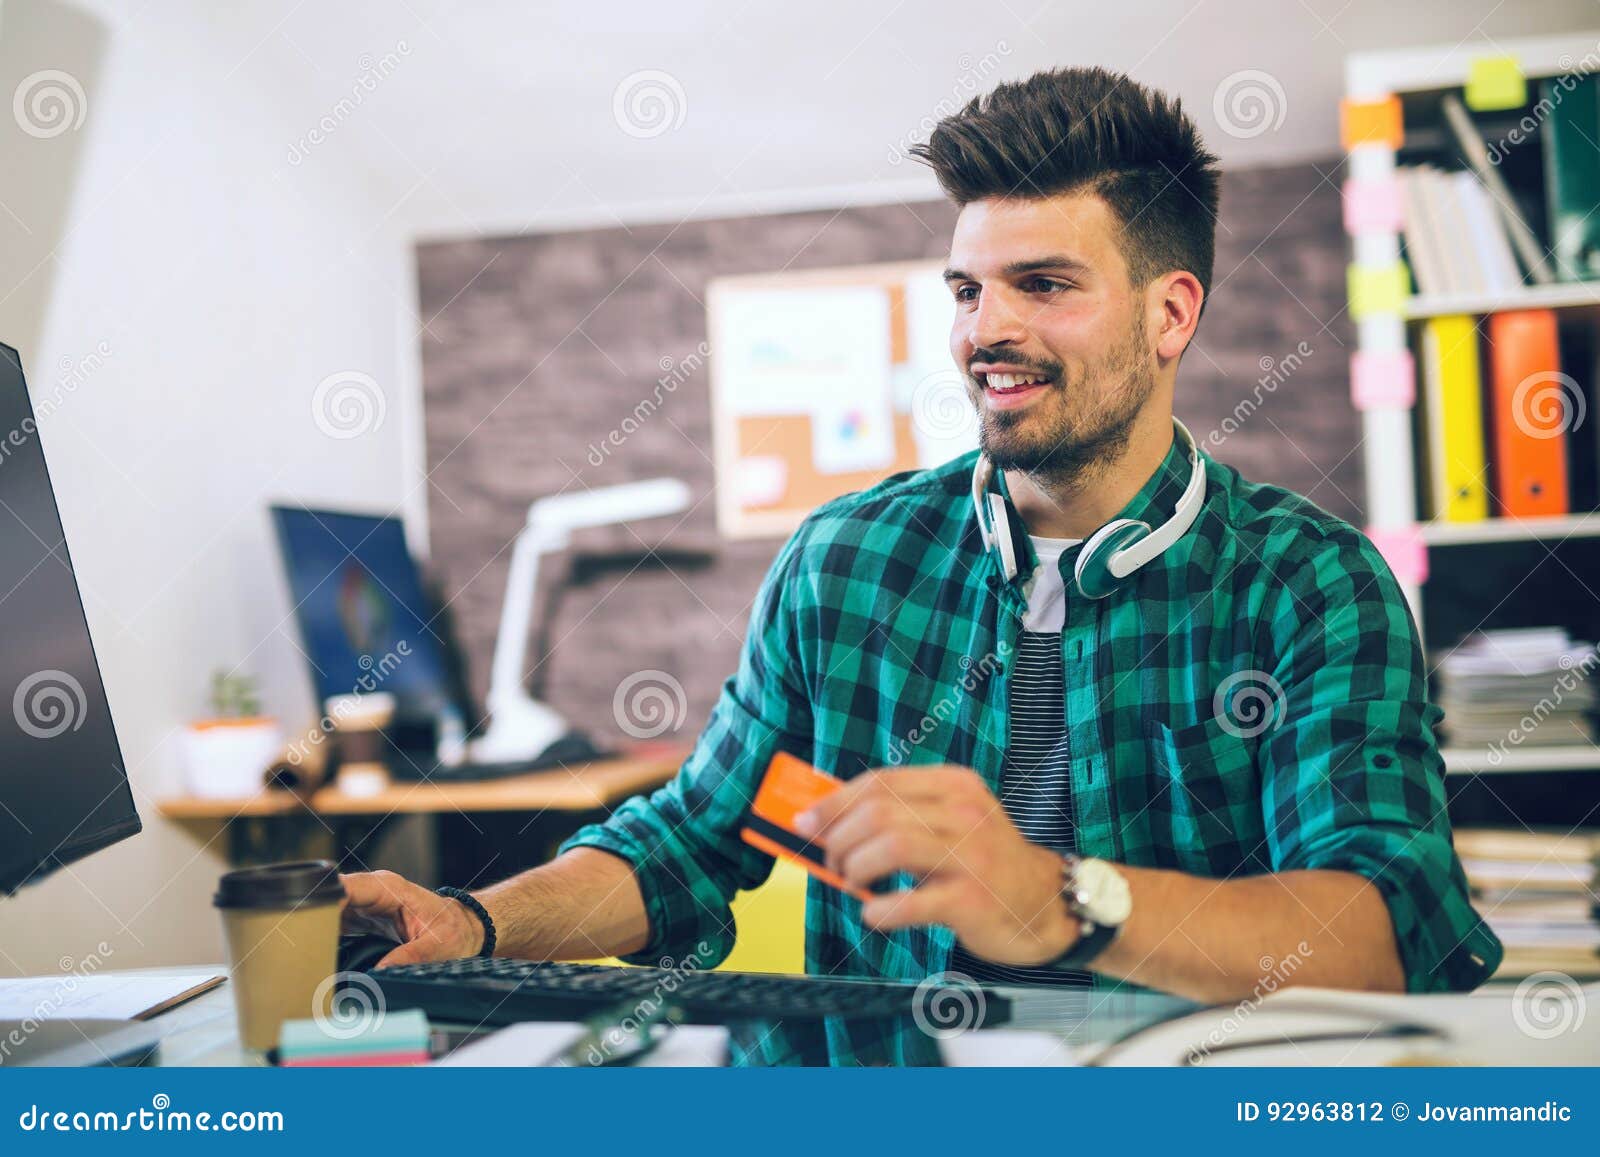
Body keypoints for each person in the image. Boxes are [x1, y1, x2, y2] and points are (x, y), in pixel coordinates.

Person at [342, 65, 1500, 1064]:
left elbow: (1378, 932)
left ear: (1170, 313)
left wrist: (1059, 902)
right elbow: (693, 839)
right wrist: (470, 920)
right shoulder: (843, 564)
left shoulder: (1310, 584)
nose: (982, 329)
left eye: (1041, 284)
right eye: (966, 288)